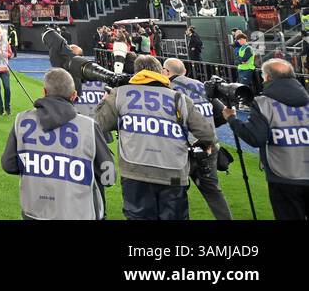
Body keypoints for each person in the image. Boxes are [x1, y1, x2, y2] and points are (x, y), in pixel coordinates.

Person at [94, 54, 216, 220]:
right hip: (173, 172)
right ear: (160, 72)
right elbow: (207, 134)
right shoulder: (180, 98)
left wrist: (105, 102)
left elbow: (99, 125)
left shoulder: (120, 93)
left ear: (136, 72)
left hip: (135, 171)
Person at [1, 68, 116, 219]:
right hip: (78, 213)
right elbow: (108, 177)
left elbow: (9, 165)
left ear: (44, 92)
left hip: (34, 213)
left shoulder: (21, 120)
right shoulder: (88, 126)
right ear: (74, 95)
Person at [217, 58, 309, 220]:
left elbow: (255, 138)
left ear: (267, 77)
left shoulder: (263, 103)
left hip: (282, 176)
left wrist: (232, 119)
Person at [163, 58, 232, 220]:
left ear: (166, 71)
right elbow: (223, 114)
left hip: (183, 149)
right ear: (185, 71)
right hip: (208, 147)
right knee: (213, 191)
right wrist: (208, 127)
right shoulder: (201, 86)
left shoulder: (168, 88)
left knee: (175, 192)